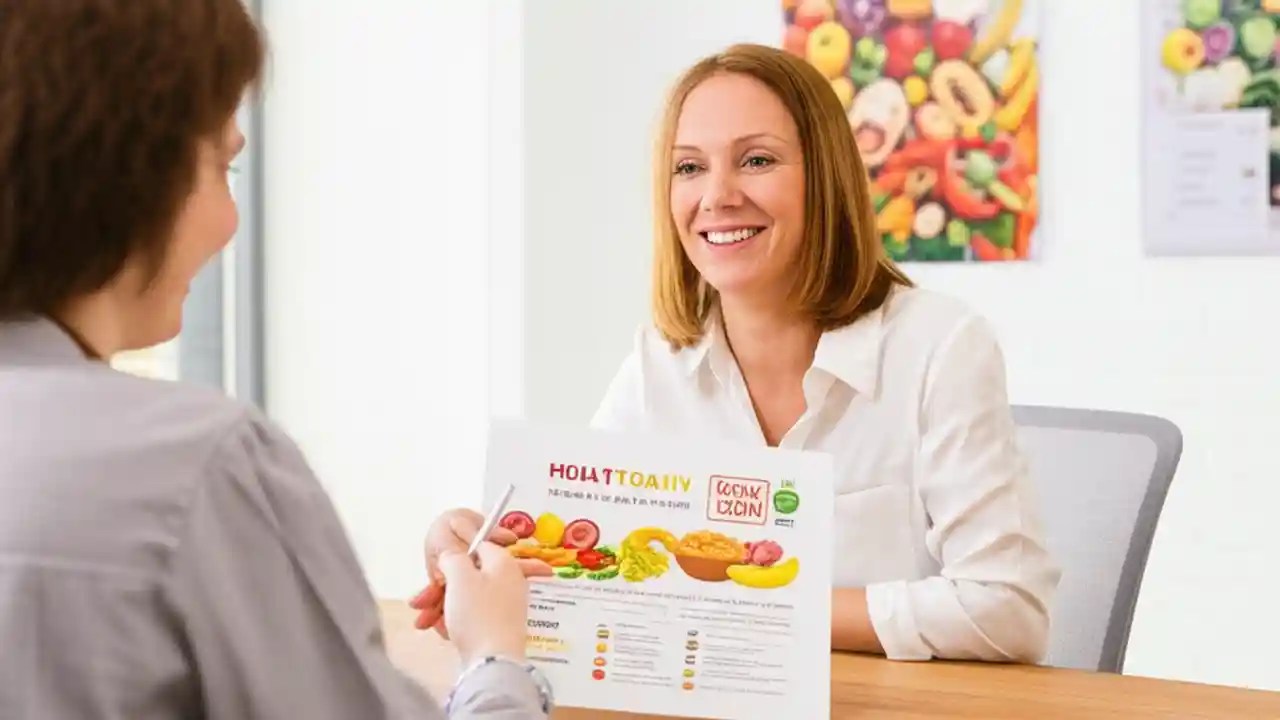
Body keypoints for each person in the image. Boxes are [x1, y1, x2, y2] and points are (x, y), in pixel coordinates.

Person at [418, 43, 1060, 664]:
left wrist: (757, 604)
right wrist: (480, 557)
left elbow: (1008, 609)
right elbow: (592, 573)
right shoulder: (658, 365)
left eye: (756, 161)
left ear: (826, 177)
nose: (716, 195)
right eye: (689, 167)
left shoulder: (940, 347)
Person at [0, 1, 551, 717]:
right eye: (224, 163)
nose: (230, 222)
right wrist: (496, 659)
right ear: (137, 170)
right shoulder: (197, 463)